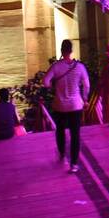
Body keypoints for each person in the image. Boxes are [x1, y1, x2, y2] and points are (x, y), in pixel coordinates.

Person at [42, 39, 90, 173]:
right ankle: (74, 164)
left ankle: (62, 153)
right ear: (71, 50)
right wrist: (85, 99)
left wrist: (52, 85)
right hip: (76, 105)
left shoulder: (56, 67)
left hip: (60, 105)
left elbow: (45, 81)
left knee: (60, 130)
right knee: (75, 134)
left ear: (62, 51)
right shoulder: (79, 67)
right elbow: (86, 85)